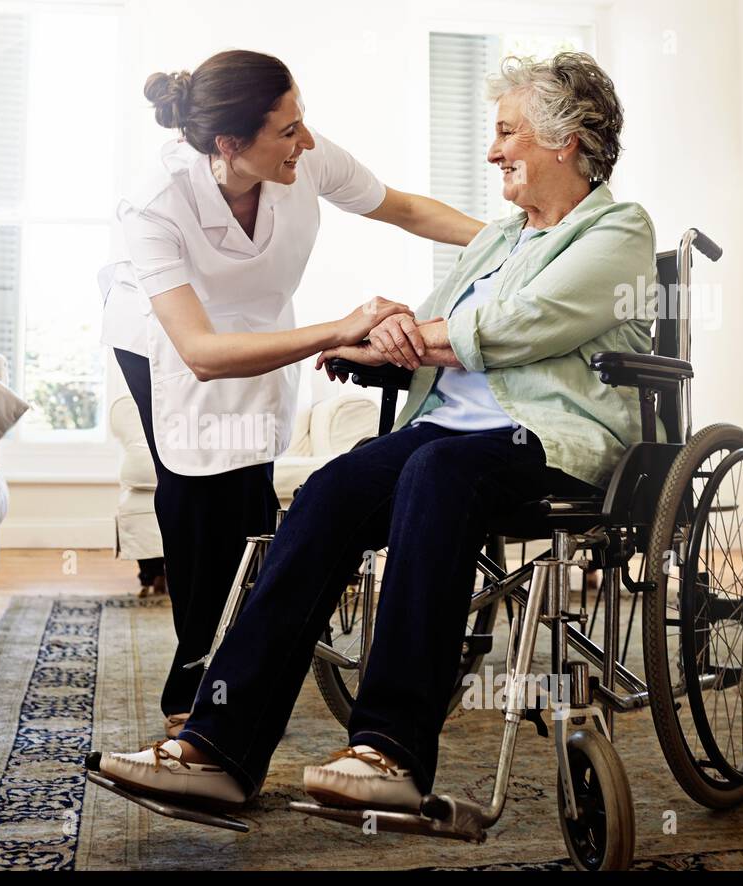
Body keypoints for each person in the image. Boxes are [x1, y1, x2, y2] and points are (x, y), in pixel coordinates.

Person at [95, 51, 659, 811]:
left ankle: (389, 751)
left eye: (505, 133)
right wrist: (361, 341)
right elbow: (421, 329)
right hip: (446, 433)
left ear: (566, 141)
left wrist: (394, 335)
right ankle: (215, 745)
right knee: (331, 489)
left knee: (437, 474)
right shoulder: (499, 240)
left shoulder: (617, 230)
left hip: (545, 439)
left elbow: (516, 324)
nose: (492, 151)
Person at [99, 49, 484, 738]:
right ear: (229, 144)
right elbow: (201, 354)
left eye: (303, 122)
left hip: (254, 326)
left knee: (249, 494)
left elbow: (403, 209)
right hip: (167, 340)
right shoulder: (155, 203)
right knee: (197, 499)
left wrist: (514, 243)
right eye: (288, 130)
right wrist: (340, 330)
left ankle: (238, 662)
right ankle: (193, 689)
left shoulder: (302, 156)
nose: (305, 141)